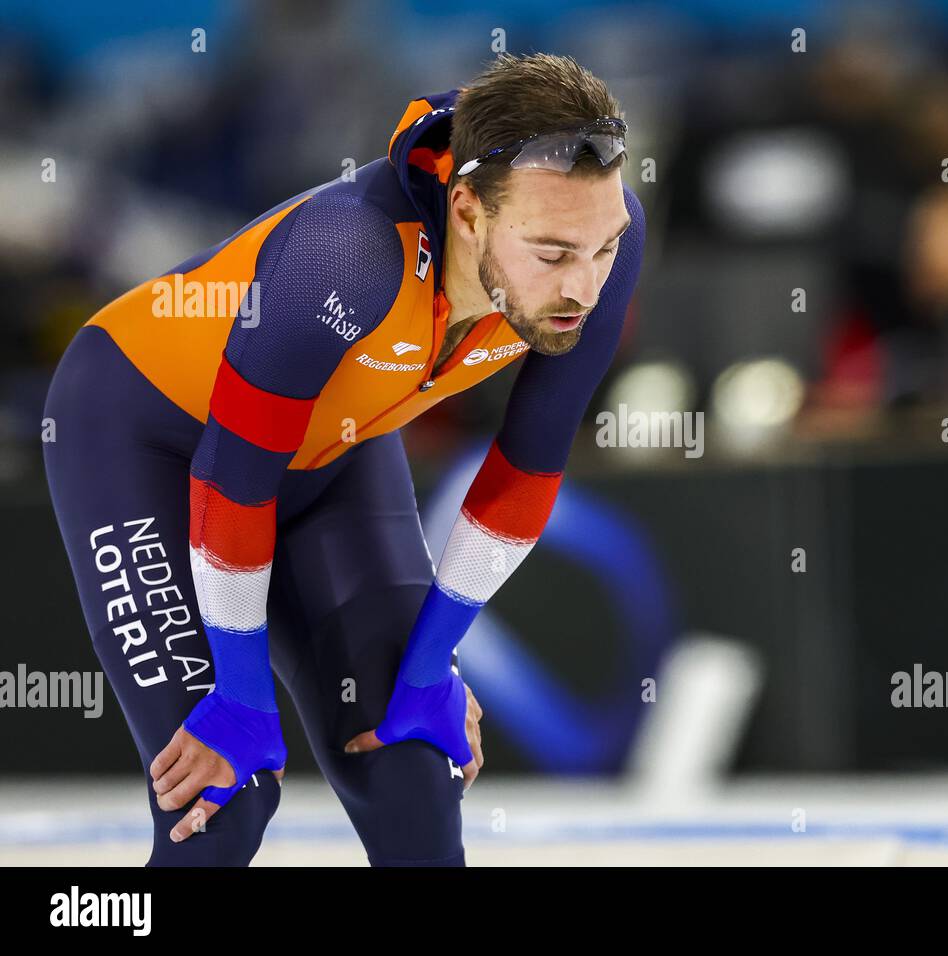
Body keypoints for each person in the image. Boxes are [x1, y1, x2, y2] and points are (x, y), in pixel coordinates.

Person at [41, 52, 645, 866]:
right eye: (552, 254)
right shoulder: (346, 258)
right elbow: (232, 483)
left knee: (413, 775)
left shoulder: (601, 239)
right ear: (467, 213)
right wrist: (243, 693)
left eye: (602, 248)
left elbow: (523, 476)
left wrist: (432, 666)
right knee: (222, 804)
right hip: (148, 438)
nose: (586, 285)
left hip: (330, 455)